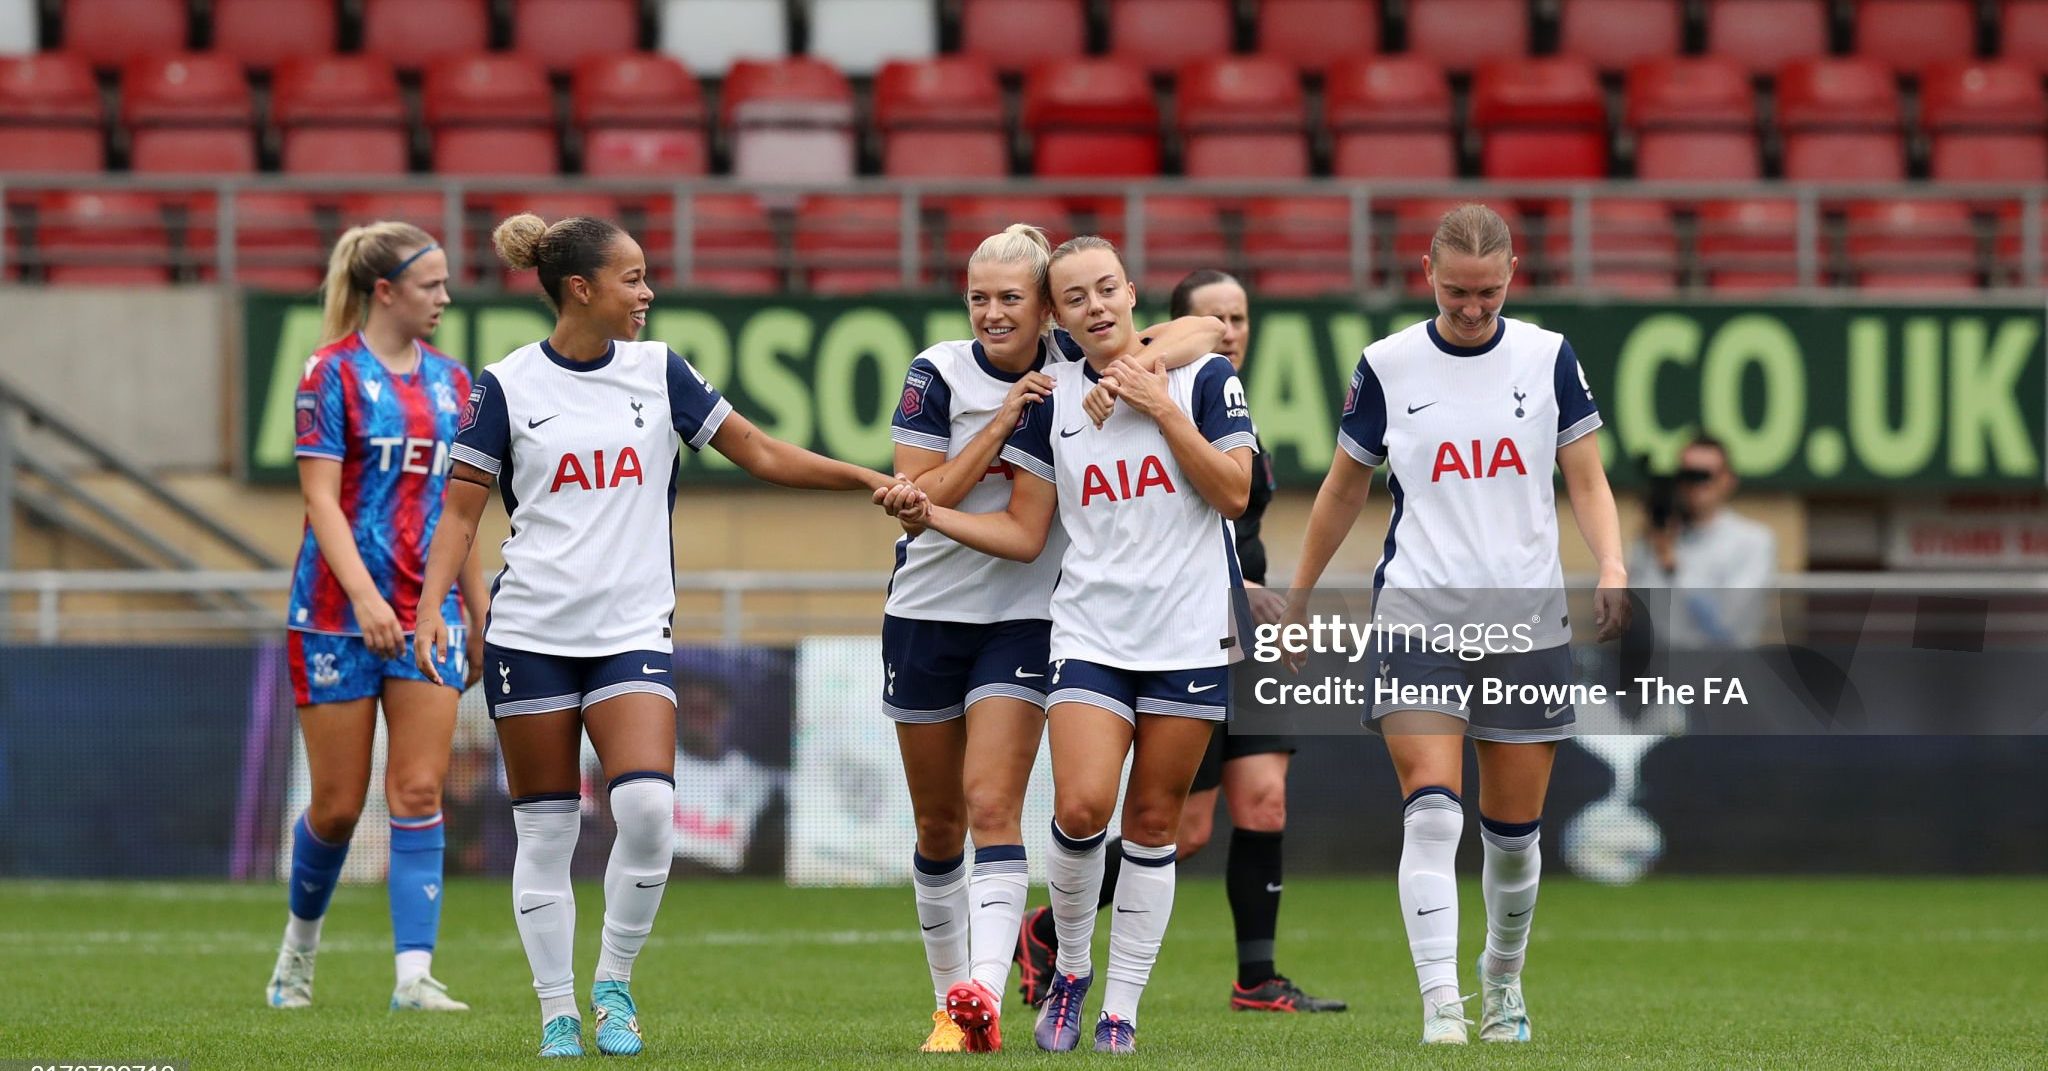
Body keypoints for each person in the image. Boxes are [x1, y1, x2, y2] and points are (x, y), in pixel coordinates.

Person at [411, 212, 905, 1058]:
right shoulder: (507, 385)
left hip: (631, 629)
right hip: (531, 632)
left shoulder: (658, 371)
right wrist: (434, 609)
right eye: (632, 278)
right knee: (547, 831)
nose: (647, 293)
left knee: (646, 808)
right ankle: (556, 1008)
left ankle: (614, 982)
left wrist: (865, 478)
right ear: (581, 289)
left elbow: (758, 450)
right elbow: (459, 511)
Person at [880, 235, 1255, 1055]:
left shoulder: (1196, 374)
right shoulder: (1043, 394)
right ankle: (1068, 969)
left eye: (1106, 289)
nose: (1094, 306)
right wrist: (933, 507)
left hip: (1185, 631)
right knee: (1077, 809)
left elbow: (1234, 488)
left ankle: (1120, 1006)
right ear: (1062, 312)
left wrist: (1154, 395)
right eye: (1076, 295)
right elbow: (1021, 528)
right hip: (1081, 627)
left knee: (1153, 821)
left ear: (1130, 292)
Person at [1280, 204, 1630, 1045]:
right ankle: (1442, 1001)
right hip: (1417, 615)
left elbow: (1586, 479)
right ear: (1426, 273)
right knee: (1433, 811)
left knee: (1511, 838)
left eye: (1488, 290)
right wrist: (1297, 595)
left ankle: (1501, 978)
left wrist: (1612, 564)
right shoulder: (1388, 365)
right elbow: (1341, 487)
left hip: (1525, 622)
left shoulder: (1548, 358)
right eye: (1457, 290)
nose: (1473, 307)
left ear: (1513, 273)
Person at [1015, 269, 1345, 1015]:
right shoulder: (1093, 380)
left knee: (1264, 800)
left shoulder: (1209, 381)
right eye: (1214, 315)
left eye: (1241, 314)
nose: (1229, 327)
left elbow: (1230, 495)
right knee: (1175, 826)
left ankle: (1254, 976)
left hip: (1228, 617)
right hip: (1154, 622)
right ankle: (1050, 932)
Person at [268, 221, 486, 1014]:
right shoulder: (327, 374)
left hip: (429, 615)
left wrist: (479, 613)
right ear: (385, 291)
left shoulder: (457, 383)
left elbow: (461, 513)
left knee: (421, 787)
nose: (445, 297)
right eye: (431, 285)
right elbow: (320, 497)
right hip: (334, 615)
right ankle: (298, 952)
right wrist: (364, 597)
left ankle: (413, 976)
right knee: (334, 803)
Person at [1627, 435, 1776, 649]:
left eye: (1703, 476)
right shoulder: (1656, 539)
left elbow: (1727, 623)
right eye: (1686, 476)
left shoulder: (1753, 542)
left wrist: (1673, 566)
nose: (1694, 486)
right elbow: (1632, 617)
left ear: (1728, 480)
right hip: (1663, 673)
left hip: (1725, 672)